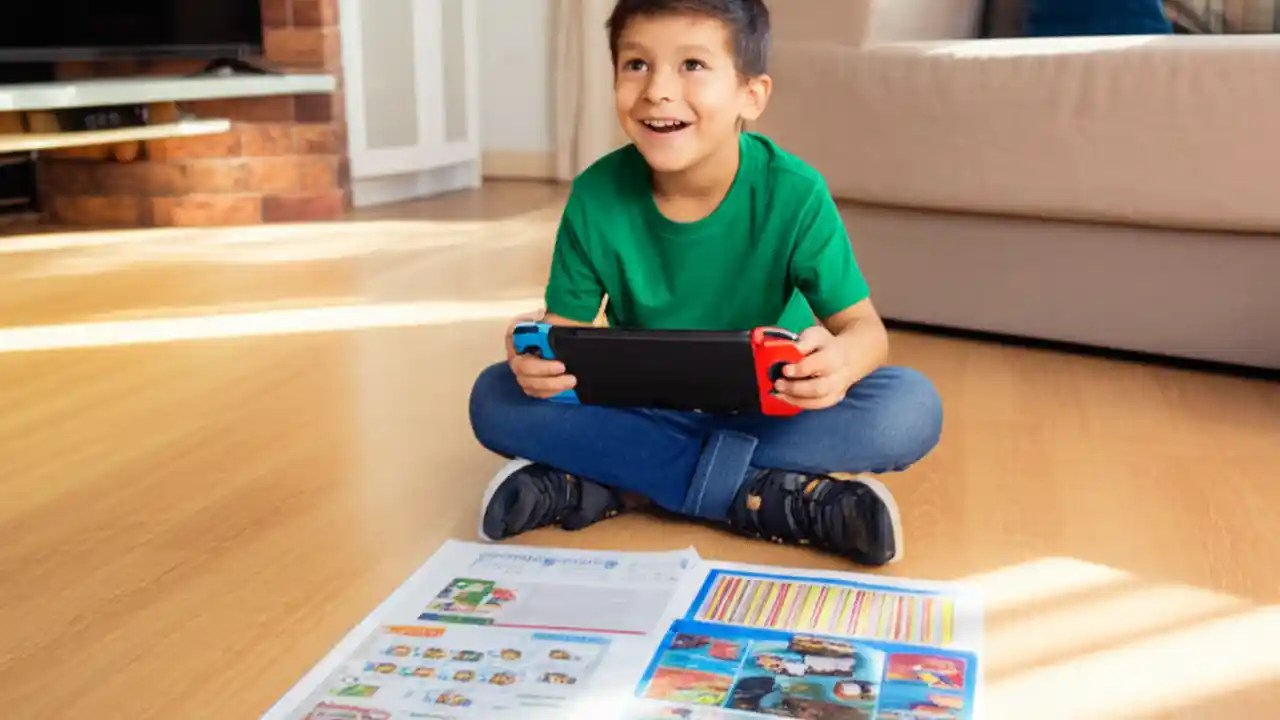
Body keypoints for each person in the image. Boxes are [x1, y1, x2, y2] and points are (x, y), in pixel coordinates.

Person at [468, 0, 942, 566]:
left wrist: (840, 362)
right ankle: (764, 497)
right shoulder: (596, 195)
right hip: (641, 406)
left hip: (770, 410)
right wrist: (534, 355)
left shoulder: (794, 193)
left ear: (752, 95)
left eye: (691, 65)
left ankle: (620, 482)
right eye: (636, 64)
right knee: (495, 396)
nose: (657, 91)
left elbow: (864, 330)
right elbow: (562, 332)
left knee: (910, 406)